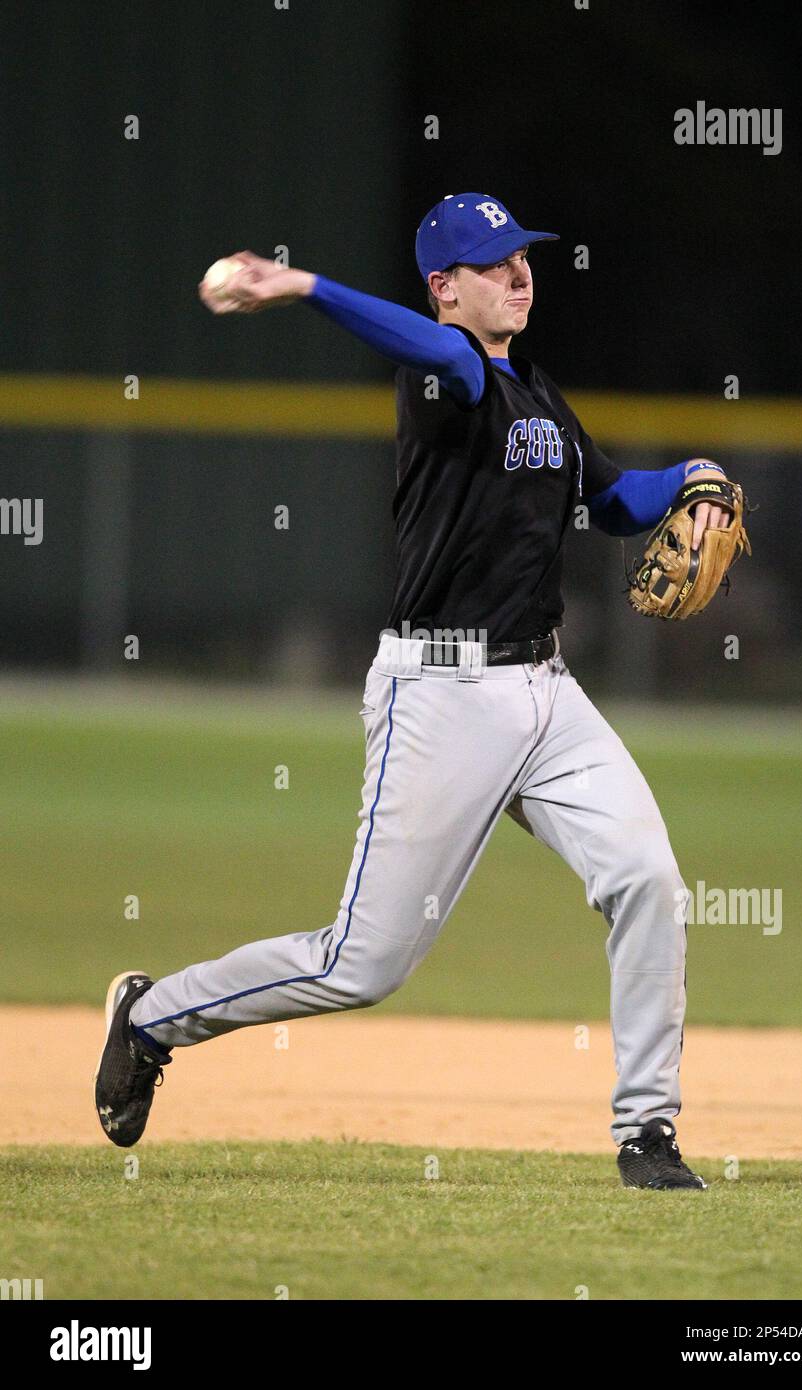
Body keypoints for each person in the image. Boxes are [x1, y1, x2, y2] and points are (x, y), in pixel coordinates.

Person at [95, 193, 734, 1189]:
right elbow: (431, 352)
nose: (519, 274)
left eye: (522, 257)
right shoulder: (444, 379)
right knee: (361, 963)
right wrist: (300, 285)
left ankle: (646, 1131)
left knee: (646, 880)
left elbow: (610, 502)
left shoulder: (535, 394)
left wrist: (691, 473)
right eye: (492, 263)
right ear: (443, 286)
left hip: (546, 693)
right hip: (439, 698)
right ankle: (149, 1016)